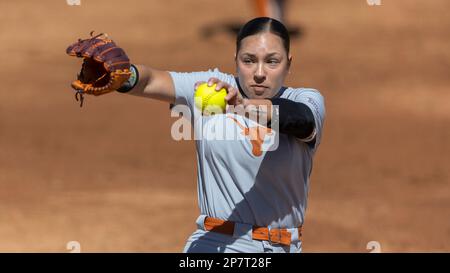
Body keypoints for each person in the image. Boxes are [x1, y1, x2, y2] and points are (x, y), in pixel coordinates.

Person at [76, 17, 325, 253]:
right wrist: (127, 76)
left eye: (272, 61)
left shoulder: (305, 100)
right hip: (212, 243)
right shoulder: (210, 87)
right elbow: (151, 81)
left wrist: (242, 106)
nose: (259, 72)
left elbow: (300, 119)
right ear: (235, 59)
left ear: (289, 63)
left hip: (281, 247)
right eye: (249, 60)